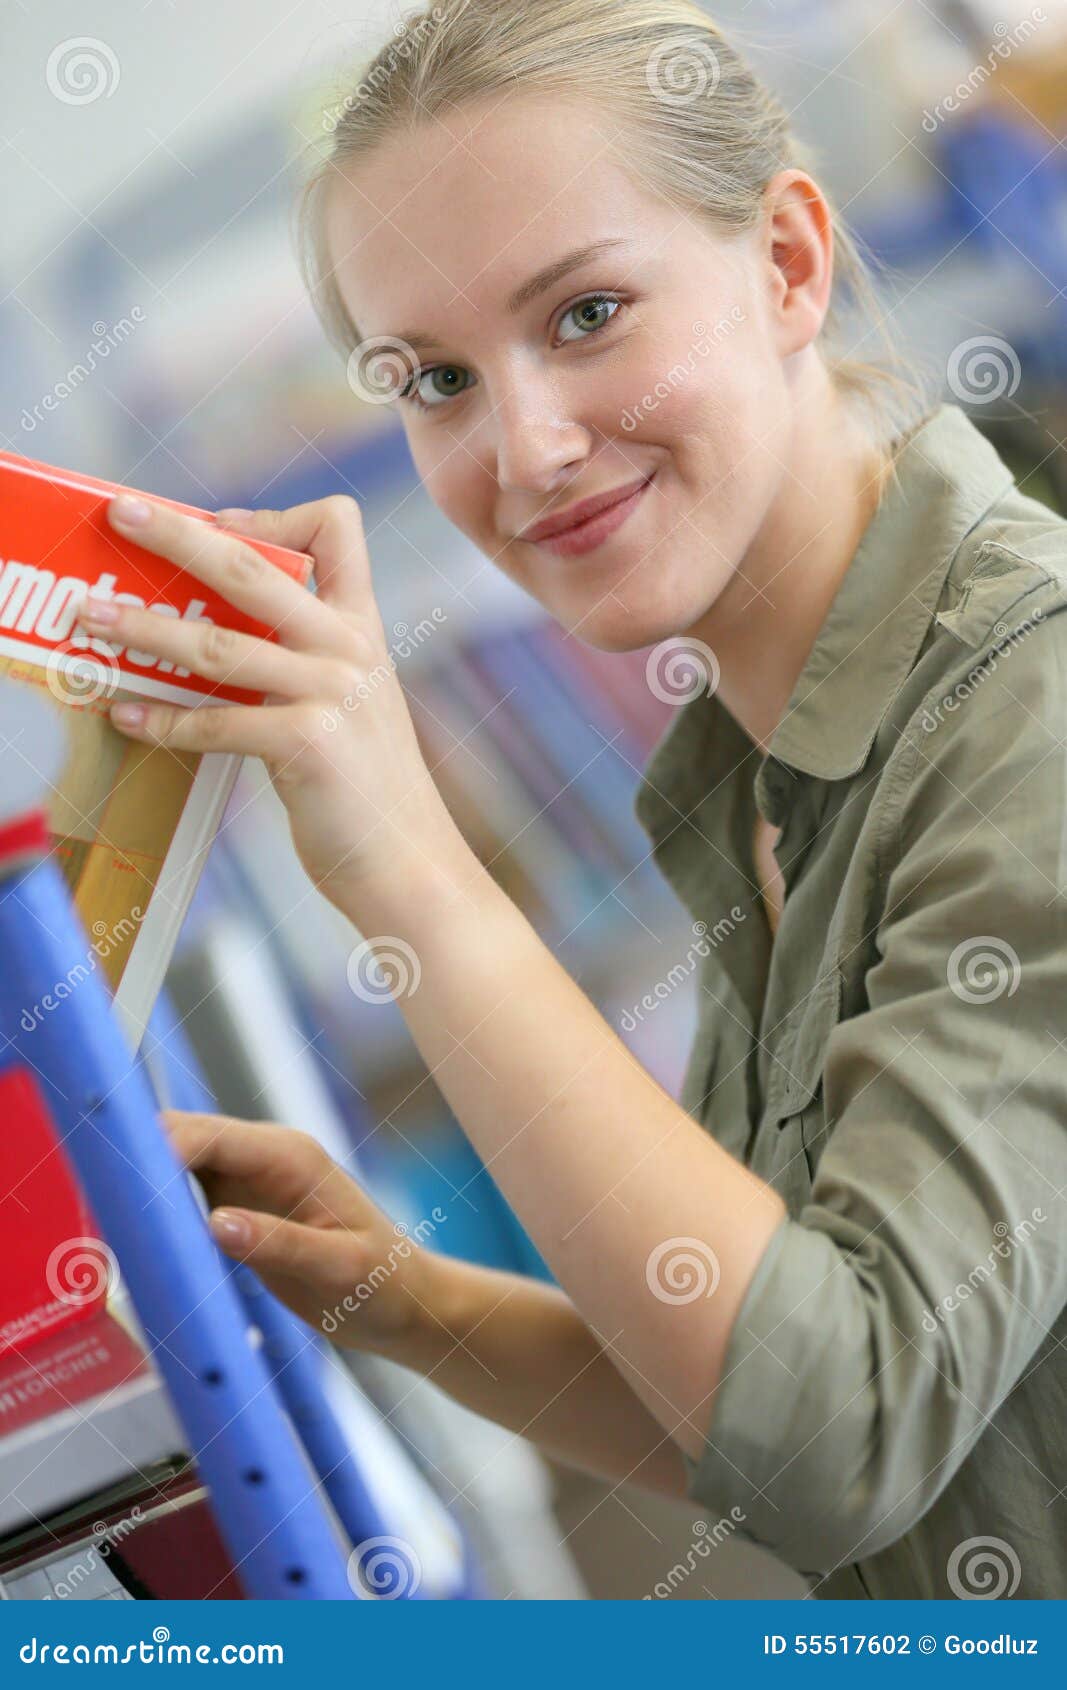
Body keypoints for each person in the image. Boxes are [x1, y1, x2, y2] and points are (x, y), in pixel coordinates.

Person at [75, 0, 1066, 1600]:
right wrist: (385, 1288)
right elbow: (775, 1404)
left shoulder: (1030, 707)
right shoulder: (753, 764)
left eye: (590, 311)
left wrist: (413, 867)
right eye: (440, 377)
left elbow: (841, 1428)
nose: (523, 448)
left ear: (790, 266)